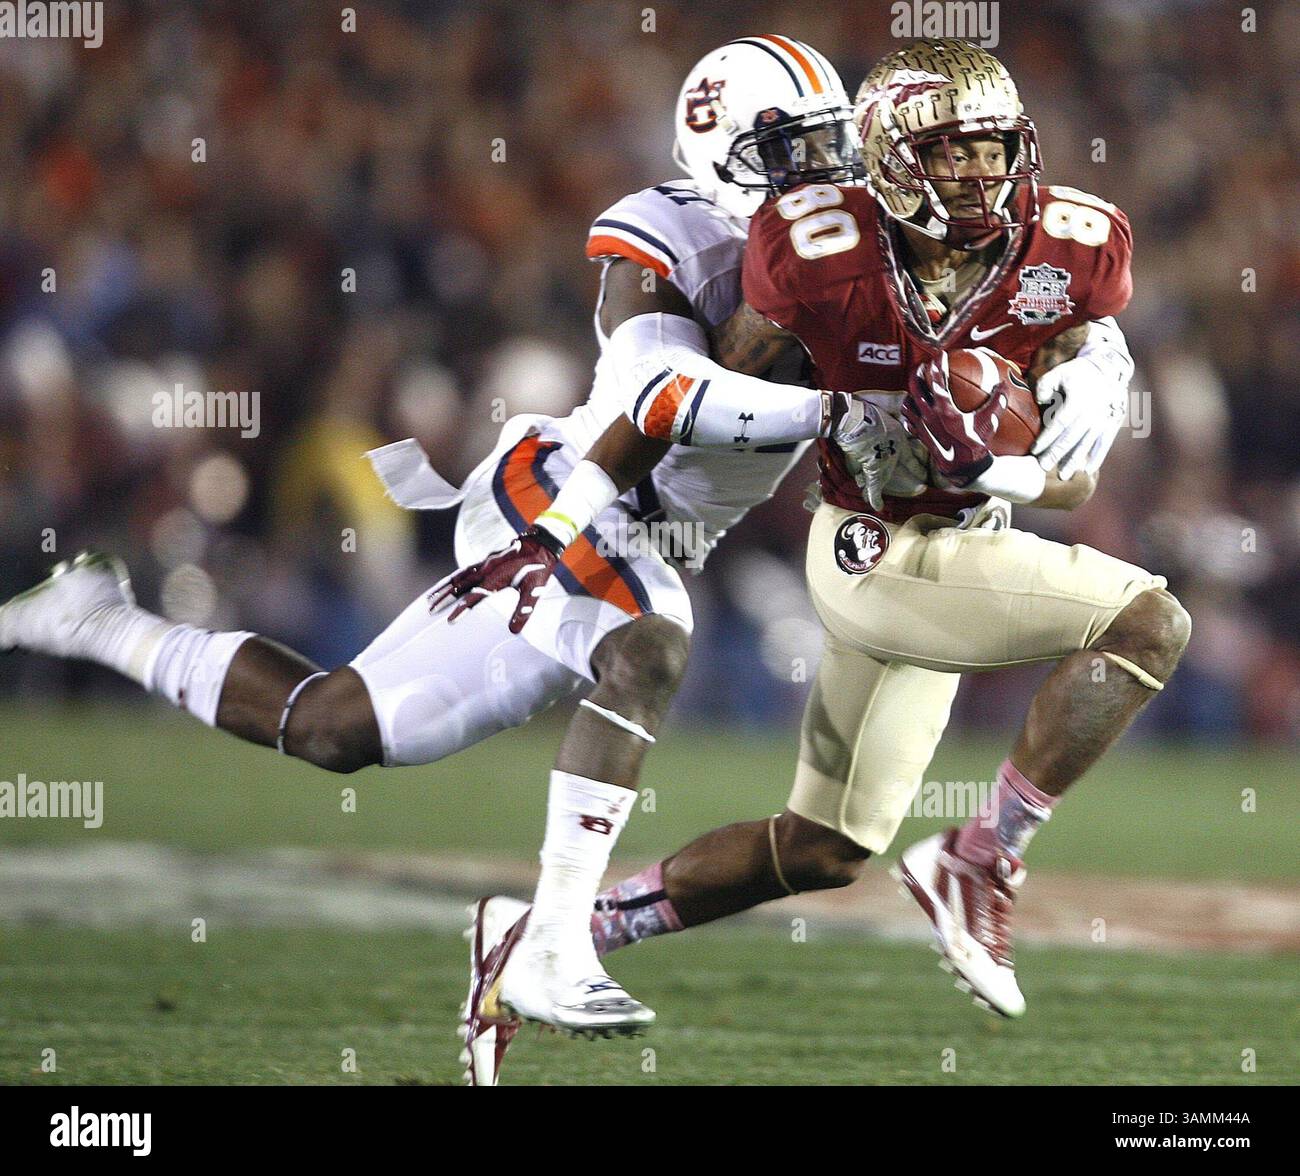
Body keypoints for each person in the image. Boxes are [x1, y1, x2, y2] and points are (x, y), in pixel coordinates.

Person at [0, 36, 894, 1083]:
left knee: (339, 728)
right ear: (721, 155)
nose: (823, 177)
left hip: (656, 538)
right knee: (649, 641)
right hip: (563, 491)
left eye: (833, 147)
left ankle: (100, 619)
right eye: (793, 151)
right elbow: (667, 400)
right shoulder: (663, 234)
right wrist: (843, 409)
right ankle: (553, 942)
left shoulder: (861, 251)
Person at [455, 40, 1189, 1048]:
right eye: (950, 151)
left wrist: (1069, 396)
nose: (978, 174)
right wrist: (564, 519)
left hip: (964, 536)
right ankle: (982, 858)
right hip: (868, 553)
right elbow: (678, 399)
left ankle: (549, 934)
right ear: (888, 156)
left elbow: (1072, 484)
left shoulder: (1069, 253)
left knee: (823, 848)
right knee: (1149, 623)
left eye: (992, 149)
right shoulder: (820, 250)